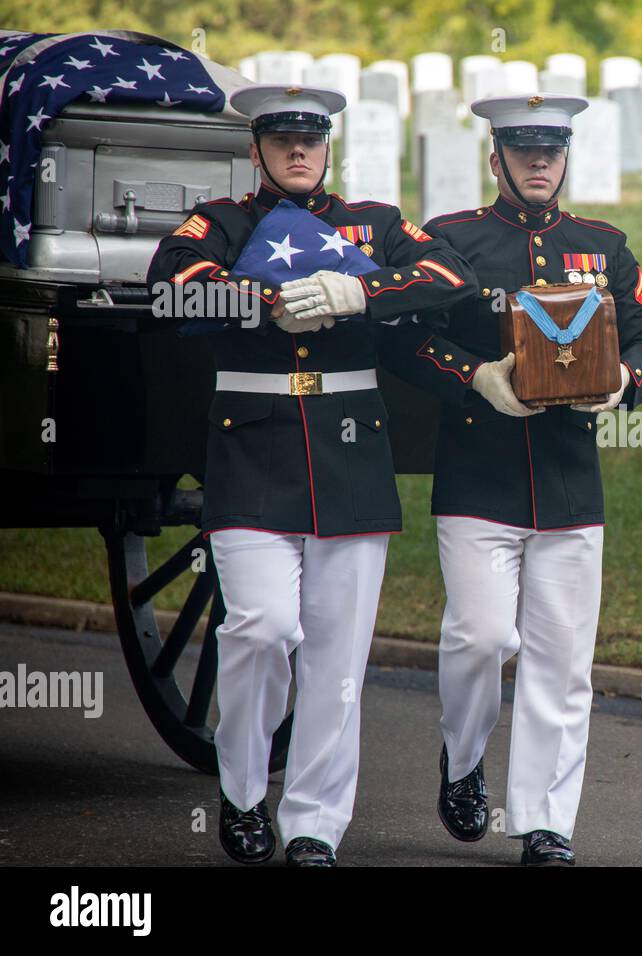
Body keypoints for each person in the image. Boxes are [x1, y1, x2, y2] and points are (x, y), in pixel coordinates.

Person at [147, 84, 476, 866]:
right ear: (256, 148)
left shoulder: (374, 225)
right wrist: (269, 301)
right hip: (252, 446)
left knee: (335, 661)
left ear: (328, 147)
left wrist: (359, 288)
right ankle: (242, 792)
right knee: (260, 628)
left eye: (311, 140)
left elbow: (449, 274)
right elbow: (170, 287)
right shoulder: (222, 223)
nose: (299, 152)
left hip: (350, 452)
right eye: (282, 140)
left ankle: (315, 826)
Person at [398, 93, 642, 865]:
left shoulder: (604, 246)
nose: (540, 163)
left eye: (552, 150)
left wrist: (620, 381)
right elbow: (407, 341)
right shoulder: (451, 241)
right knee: (480, 638)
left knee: (561, 661)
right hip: (478, 478)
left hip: (569, 483)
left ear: (567, 158)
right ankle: (461, 755)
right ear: (497, 160)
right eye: (524, 151)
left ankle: (546, 822)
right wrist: (475, 375)